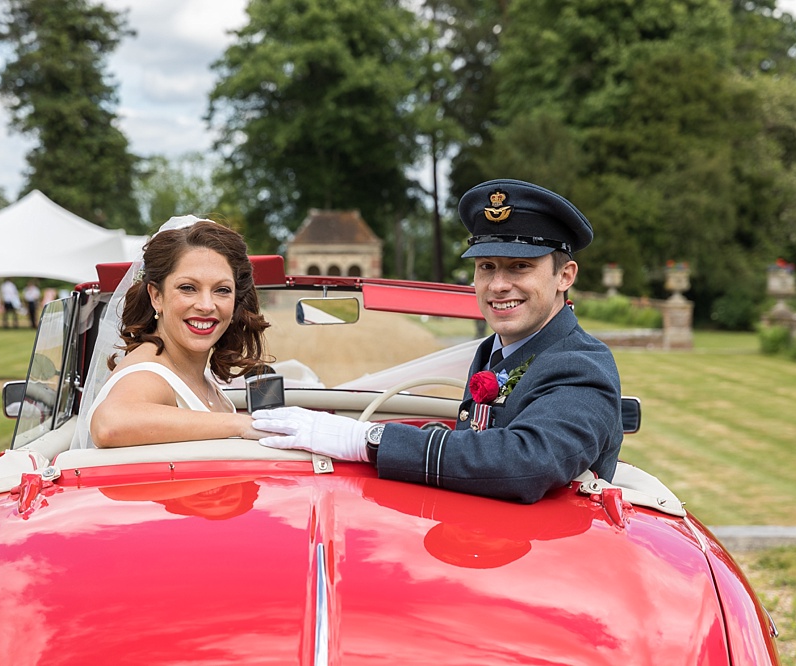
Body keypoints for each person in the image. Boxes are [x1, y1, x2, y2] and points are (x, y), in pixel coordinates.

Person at [253, 179, 623, 503]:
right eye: (486, 267)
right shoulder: (499, 350)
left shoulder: (580, 364)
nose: (497, 285)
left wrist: (368, 439)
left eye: (520, 266)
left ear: (565, 275)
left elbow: (527, 463)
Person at [77, 216, 273, 449]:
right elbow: (109, 425)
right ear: (156, 296)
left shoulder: (198, 376)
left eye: (222, 290)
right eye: (188, 288)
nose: (206, 305)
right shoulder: (148, 374)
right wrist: (241, 424)